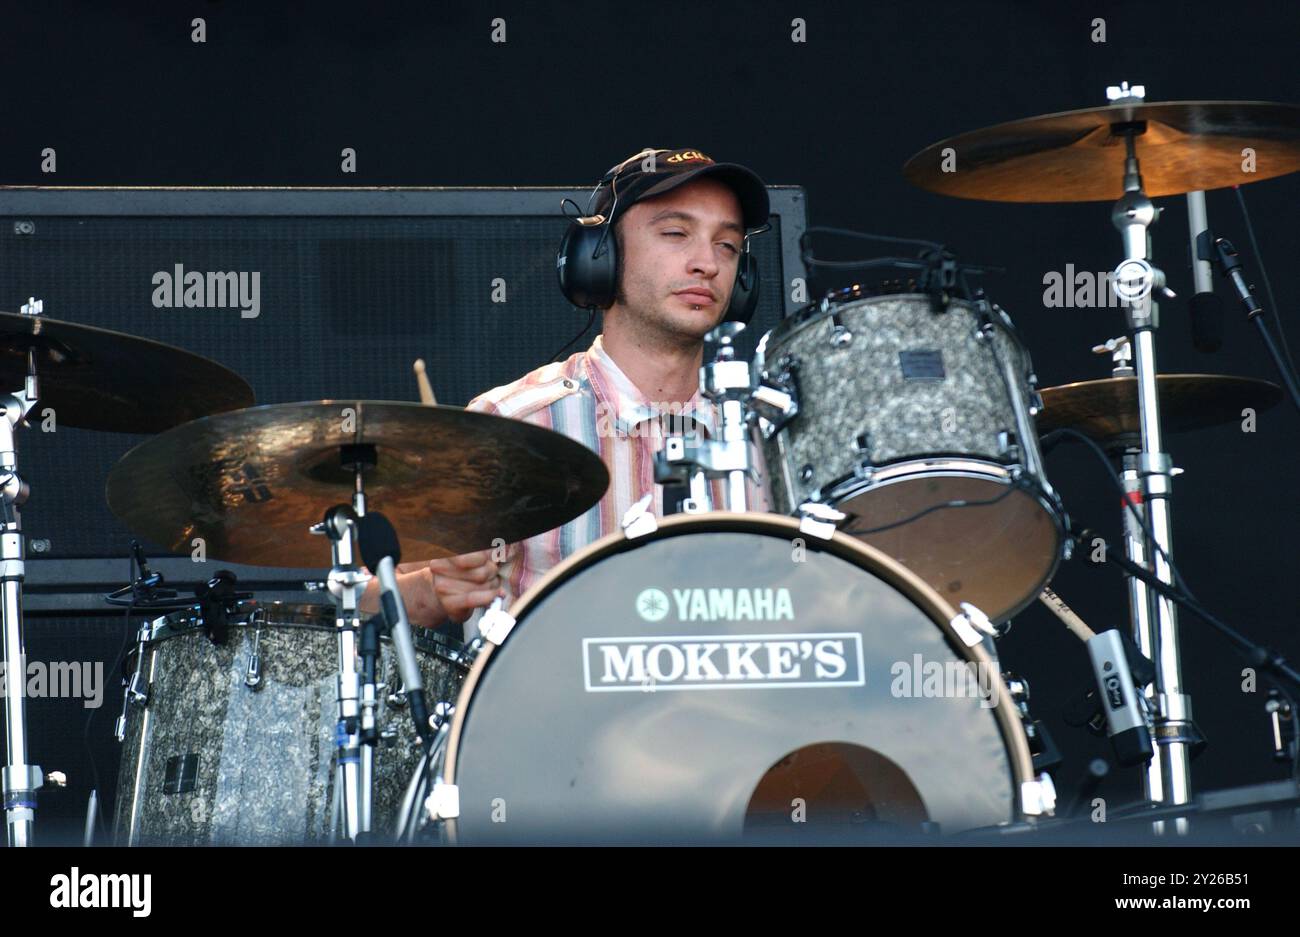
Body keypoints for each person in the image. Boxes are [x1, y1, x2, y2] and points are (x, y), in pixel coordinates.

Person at [361, 147, 771, 631]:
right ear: (599, 256)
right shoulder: (507, 425)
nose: (707, 262)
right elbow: (364, 598)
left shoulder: (772, 435)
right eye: (676, 233)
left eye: (727, 245)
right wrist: (433, 590)